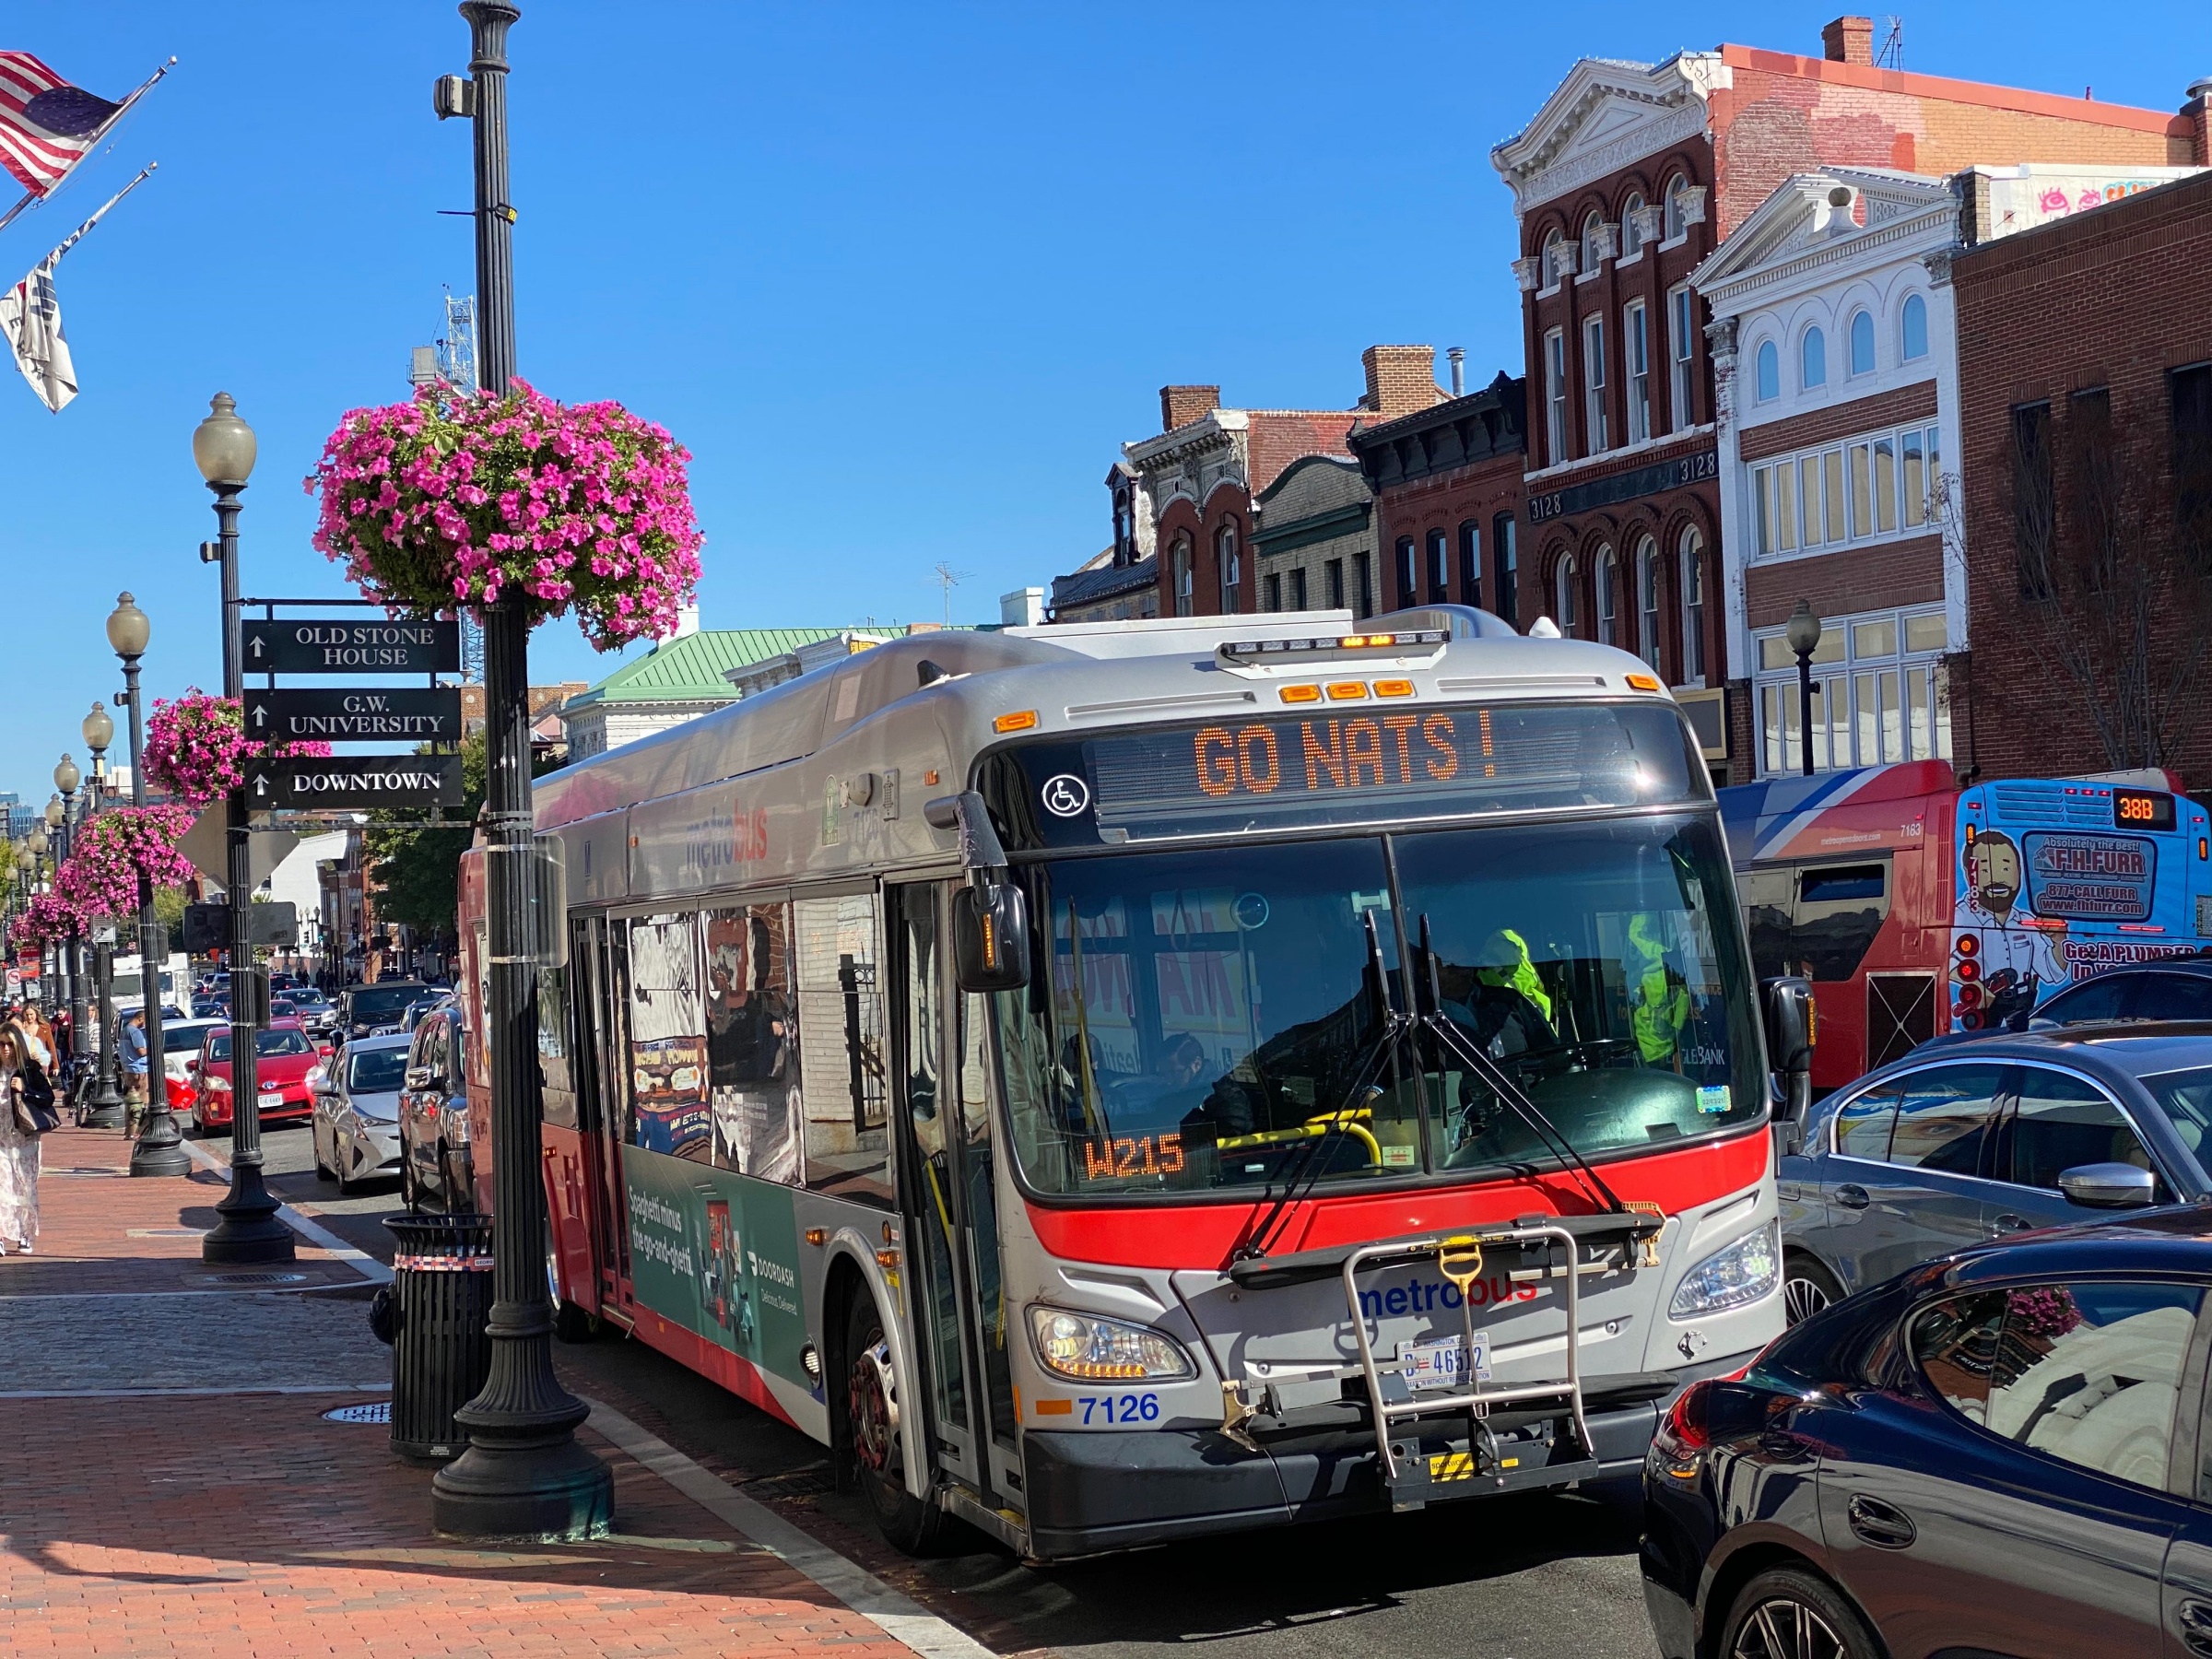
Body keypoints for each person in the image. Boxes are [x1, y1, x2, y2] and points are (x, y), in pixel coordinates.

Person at [1440, 929, 1559, 1060]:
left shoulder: (1510, 1001)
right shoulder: (1421, 1021)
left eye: (1464, 961)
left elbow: (1554, 1057)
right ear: (1424, 969)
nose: (1461, 967)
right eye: (1449, 964)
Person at [0, 1022, 53, 1254]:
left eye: (10, 1044)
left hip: (25, 1140)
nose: (5, 1049)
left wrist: (26, 1089)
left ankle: (25, 1234)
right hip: (1, 1140)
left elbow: (47, 1098)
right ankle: (1, 1235)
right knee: (1, 1188)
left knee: (25, 1188)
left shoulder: (29, 1069)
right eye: (1, 1044)